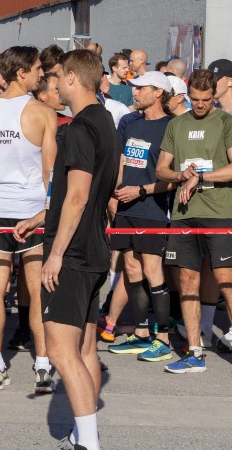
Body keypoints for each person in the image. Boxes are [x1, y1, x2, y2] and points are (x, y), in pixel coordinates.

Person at [14, 49, 120, 450]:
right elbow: (86, 194)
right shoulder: (105, 121)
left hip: (73, 254)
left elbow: (77, 196)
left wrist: (54, 253)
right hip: (94, 248)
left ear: (73, 77)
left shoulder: (78, 128)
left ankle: (87, 443)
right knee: (85, 348)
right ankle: (82, 435)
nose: (53, 83)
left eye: (57, 76)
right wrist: (42, 218)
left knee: (60, 351)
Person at [0, 46, 56, 393]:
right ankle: (43, 362)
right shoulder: (43, 112)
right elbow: (50, 171)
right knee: (36, 288)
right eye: (36, 69)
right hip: (31, 210)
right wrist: (46, 212)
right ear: (20, 72)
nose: (40, 75)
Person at [156, 68, 232, 374]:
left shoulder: (226, 121)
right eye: (194, 99)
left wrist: (201, 177)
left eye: (205, 99)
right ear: (187, 95)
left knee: (226, 279)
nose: (199, 105)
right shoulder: (177, 124)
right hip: (185, 213)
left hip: (219, 211)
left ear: (214, 95)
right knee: (187, 280)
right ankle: (195, 350)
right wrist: (180, 175)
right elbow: (162, 168)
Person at [105, 72, 174, 362]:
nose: (134, 93)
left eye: (141, 88)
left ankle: (163, 338)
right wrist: (115, 193)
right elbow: (122, 160)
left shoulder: (172, 126)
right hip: (125, 208)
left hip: (152, 209)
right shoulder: (130, 122)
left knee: (152, 271)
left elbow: (173, 178)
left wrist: (141, 192)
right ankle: (142, 332)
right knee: (131, 269)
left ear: (158, 92)